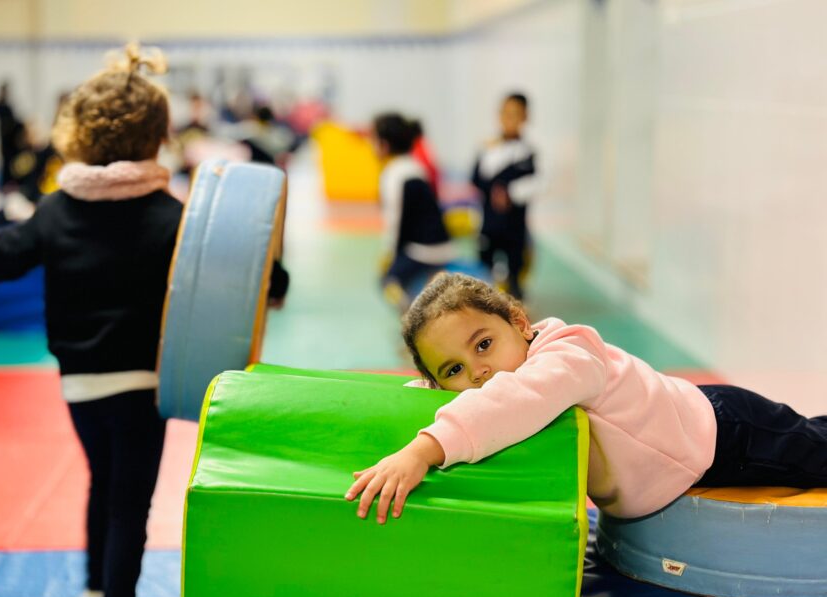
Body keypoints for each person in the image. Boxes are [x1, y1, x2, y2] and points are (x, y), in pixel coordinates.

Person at [0, 43, 177, 597]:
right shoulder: (171, 214)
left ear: (76, 135)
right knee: (131, 501)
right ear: (159, 138)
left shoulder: (54, 210)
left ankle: (98, 590)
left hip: (77, 383)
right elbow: (243, 270)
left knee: (101, 481)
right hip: (142, 385)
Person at [346, 273, 827, 525]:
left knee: (815, 448)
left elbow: (515, 400)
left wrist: (421, 449)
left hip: (725, 434)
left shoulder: (569, 356)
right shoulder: (478, 388)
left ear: (518, 322)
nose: (478, 372)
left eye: (483, 344)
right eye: (453, 370)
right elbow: (429, 397)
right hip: (685, 435)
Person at [373, 113, 456, 312]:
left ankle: (411, 319)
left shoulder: (392, 174)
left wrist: (391, 255)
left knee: (387, 282)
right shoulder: (416, 166)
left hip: (422, 251)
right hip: (443, 245)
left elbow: (395, 219)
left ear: (384, 144)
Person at [471, 92, 541, 300]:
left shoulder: (528, 152)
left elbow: (538, 182)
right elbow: (475, 178)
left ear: (525, 117)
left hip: (515, 225)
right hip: (489, 222)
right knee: (484, 272)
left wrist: (510, 193)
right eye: (505, 113)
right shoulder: (488, 148)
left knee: (515, 272)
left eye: (515, 114)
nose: (509, 119)